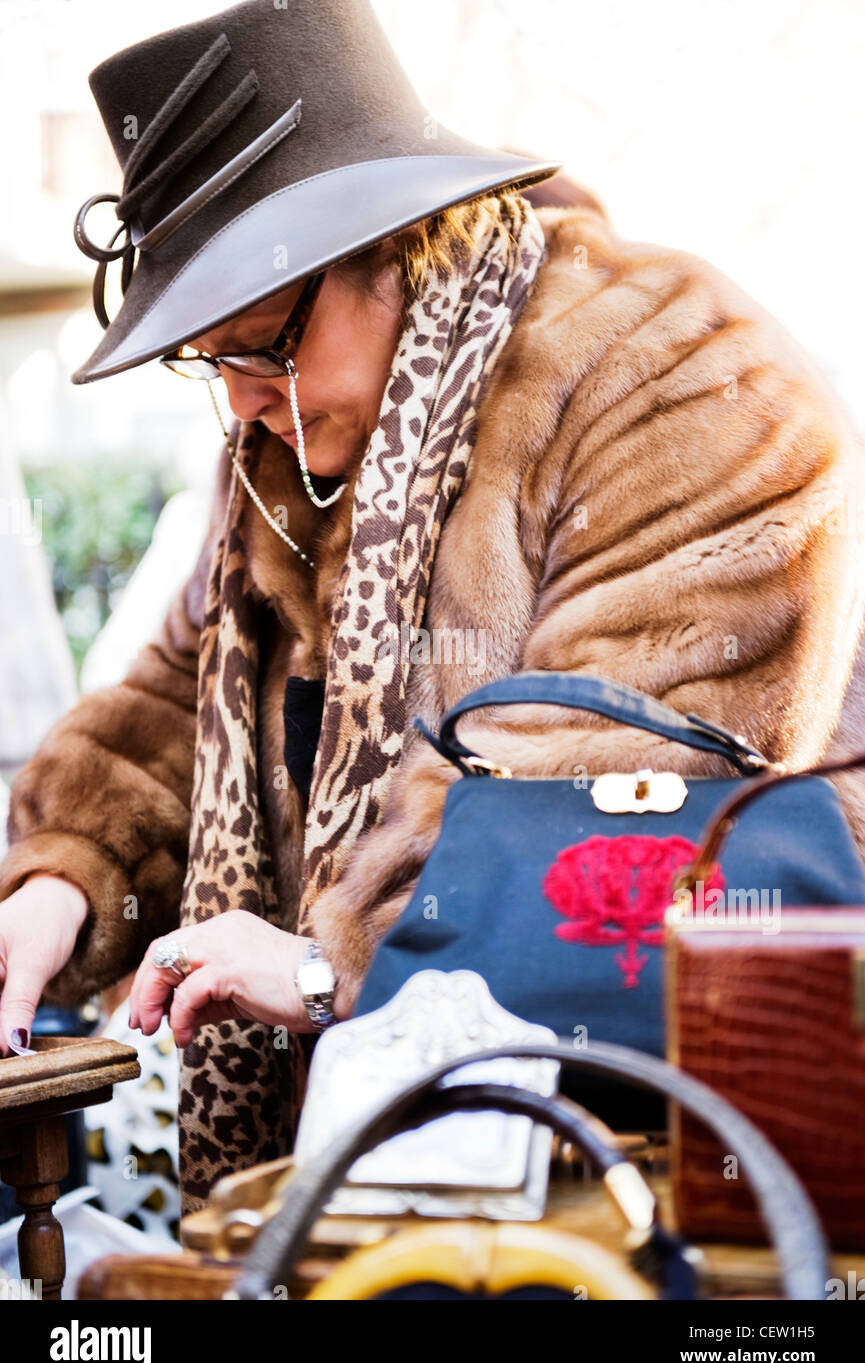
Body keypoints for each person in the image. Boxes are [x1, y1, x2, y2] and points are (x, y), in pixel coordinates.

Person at [2, 0, 864, 1214]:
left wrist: (325, 962)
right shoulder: (288, 439)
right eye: (212, 359)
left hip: (683, 1145)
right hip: (406, 1154)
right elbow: (181, 695)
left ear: (394, 245)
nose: (239, 401)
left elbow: (614, 804)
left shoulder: (682, 379)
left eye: (258, 343)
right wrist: (69, 877)